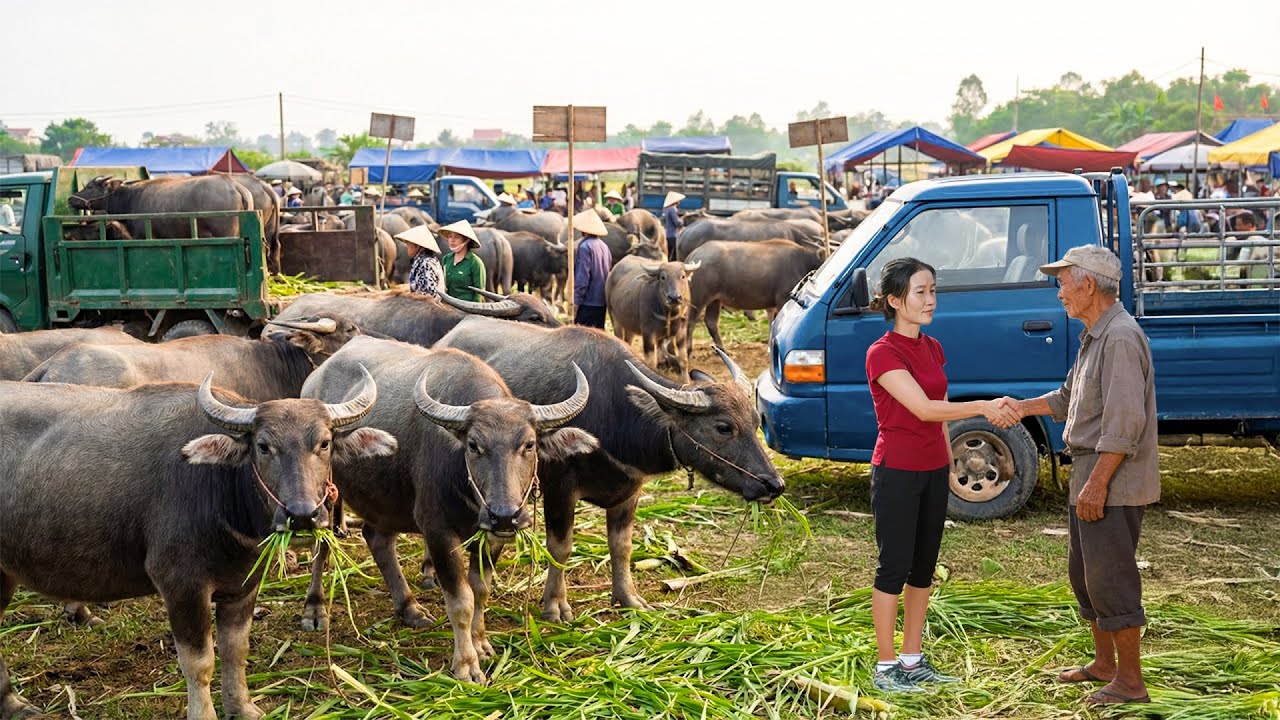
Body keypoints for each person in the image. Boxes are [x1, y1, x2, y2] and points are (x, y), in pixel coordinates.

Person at [863, 257, 1021, 694]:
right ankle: (885, 666)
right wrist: (985, 407)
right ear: (895, 301)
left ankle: (912, 660)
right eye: (920, 292)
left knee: (923, 570)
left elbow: (941, 412)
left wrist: (948, 460)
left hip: (934, 468)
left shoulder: (932, 347)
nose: (931, 299)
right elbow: (925, 409)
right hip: (896, 470)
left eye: (934, 290)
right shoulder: (882, 353)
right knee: (893, 567)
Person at [1010, 246, 1158, 706]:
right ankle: (1104, 665)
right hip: (1091, 476)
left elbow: (1124, 423)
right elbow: (1066, 398)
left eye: (1062, 283)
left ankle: (1131, 684)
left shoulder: (1119, 338)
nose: (1059, 293)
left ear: (1087, 285)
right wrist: (1018, 408)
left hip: (1110, 479)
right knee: (1086, 574)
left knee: (1111, 578)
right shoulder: (1096, 335)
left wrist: (1098, 483)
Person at [571, 209, 611, 328]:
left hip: (587, 302)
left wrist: (576, 301)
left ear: (583, 230)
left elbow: (582, 278)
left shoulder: (584, 247)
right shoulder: (605, 247)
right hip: (601, 301)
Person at [438, 220, 486, 302]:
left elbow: (479, 293)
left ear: (466, 240)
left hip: (467, 307)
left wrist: (474, 311)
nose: (452, 240)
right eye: (450, 237)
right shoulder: (446, 259)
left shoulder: (475, 263)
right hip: (450, 306)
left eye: (456, 237)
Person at [397, 225, 445, 296]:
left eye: (408, 244)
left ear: (418, 246)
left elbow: (429, 295)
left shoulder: (426, 264)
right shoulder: (422, 261)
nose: (406, 247)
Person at [663, 191, 685, 261]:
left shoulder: (667, 209)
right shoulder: (672, 209)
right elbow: (677, 223)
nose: (679, 201)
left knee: (669, 253)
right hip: (673, 235)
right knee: (674, 254)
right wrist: (682, 220)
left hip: (668, 234)